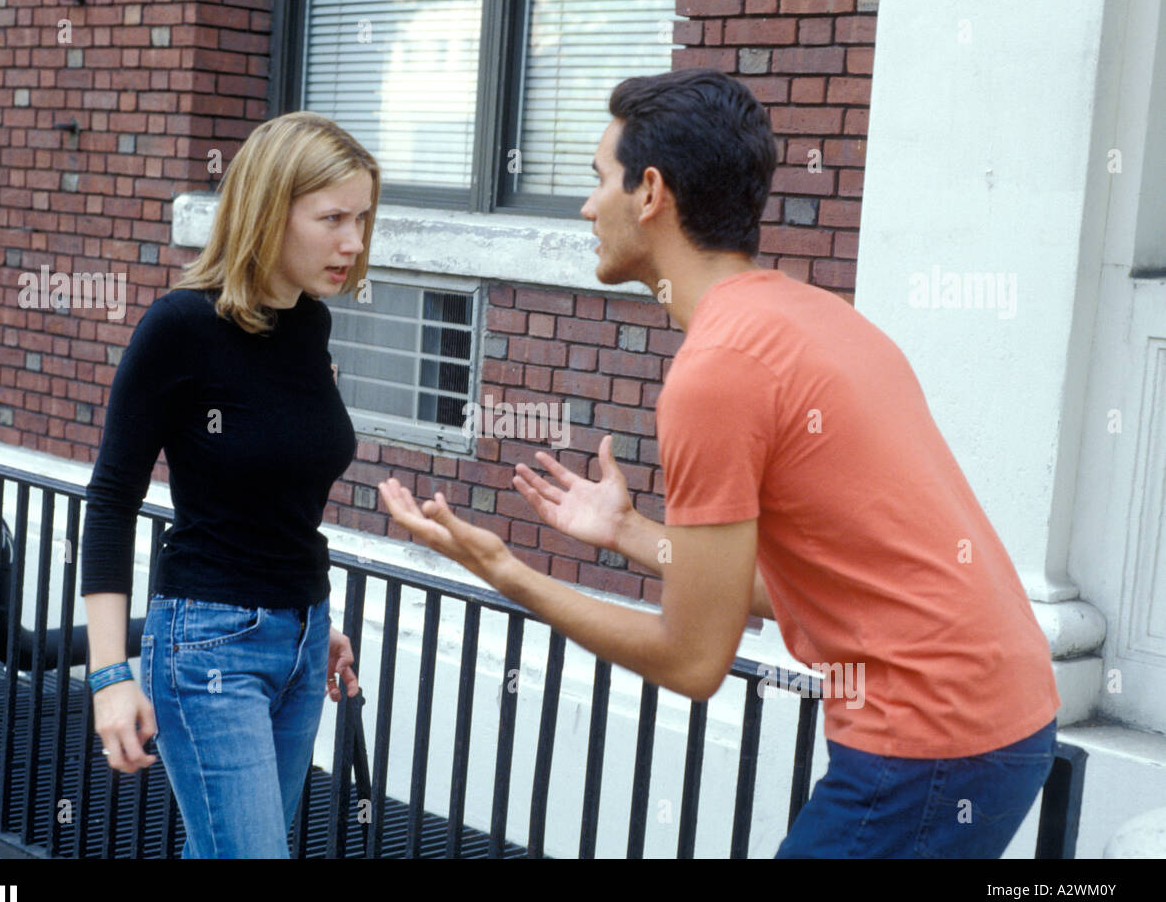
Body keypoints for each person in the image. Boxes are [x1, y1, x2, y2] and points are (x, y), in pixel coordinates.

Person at [378, 68, 1061, 858]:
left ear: (651, 193)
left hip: (935, 737)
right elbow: (820, 583)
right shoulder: (811, 316)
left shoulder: (719, 369)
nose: (585, 206)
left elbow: (694, 660)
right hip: (1002, 714)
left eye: (600, 180)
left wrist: (504, 571)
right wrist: (631, 531)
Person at [80, 111, 372, 858]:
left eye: (363, 218)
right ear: (270, 210)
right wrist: (110, 674)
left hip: (304, 638)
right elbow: (112, 498)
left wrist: (311, 618)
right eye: (333, 218)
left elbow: (282, 495)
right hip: (210, 647)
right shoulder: (180, 326)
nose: (354, 242)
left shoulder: (310, 326)